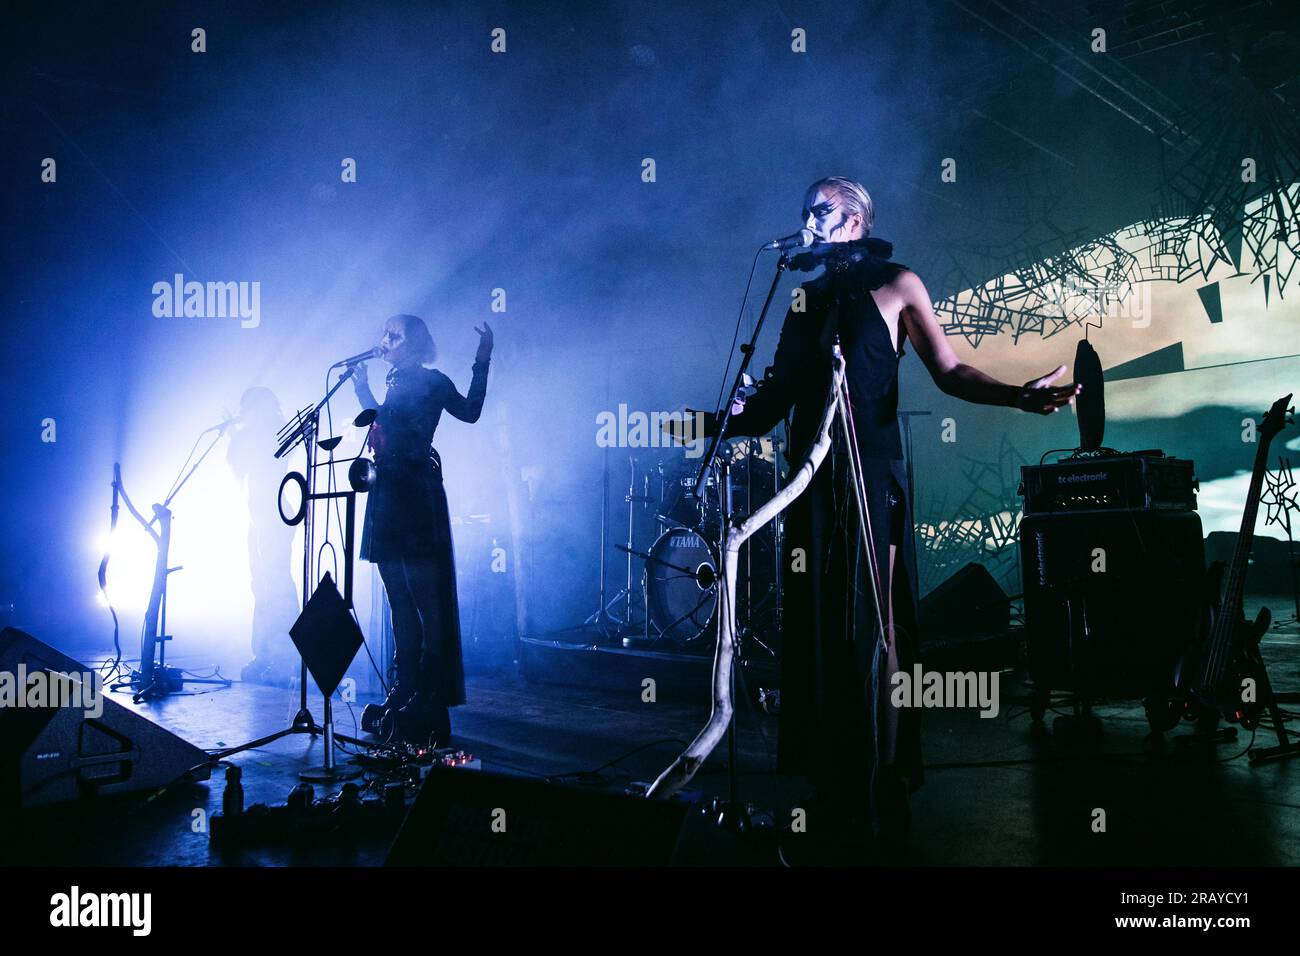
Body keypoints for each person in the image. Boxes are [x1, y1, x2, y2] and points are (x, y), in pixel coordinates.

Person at [712, 177, 1078, 855]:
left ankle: (882, 769)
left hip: (872, 470)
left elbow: (948, 369)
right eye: (805, 210)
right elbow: (775, 399)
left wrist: (1016, 399)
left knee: (878, 624)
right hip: (813, 479)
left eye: (821, 209)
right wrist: (711, 424)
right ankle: (832, 773)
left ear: (855, 220)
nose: (808, 219)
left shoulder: (898, 283)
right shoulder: (802, 295)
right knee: (822, 619)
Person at [352, 314, 493, 744]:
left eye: (394, 334)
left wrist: (482, 358)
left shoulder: (431, 382)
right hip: (388, 490)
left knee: (423, 598)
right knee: (397, 596)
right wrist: (361, 389)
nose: (385, 338)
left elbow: (470, 412)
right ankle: (405, 685)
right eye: (384, 332)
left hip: (414, 492)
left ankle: (429, 693)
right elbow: (383, 428)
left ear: (413, 343)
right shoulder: (393, 383)